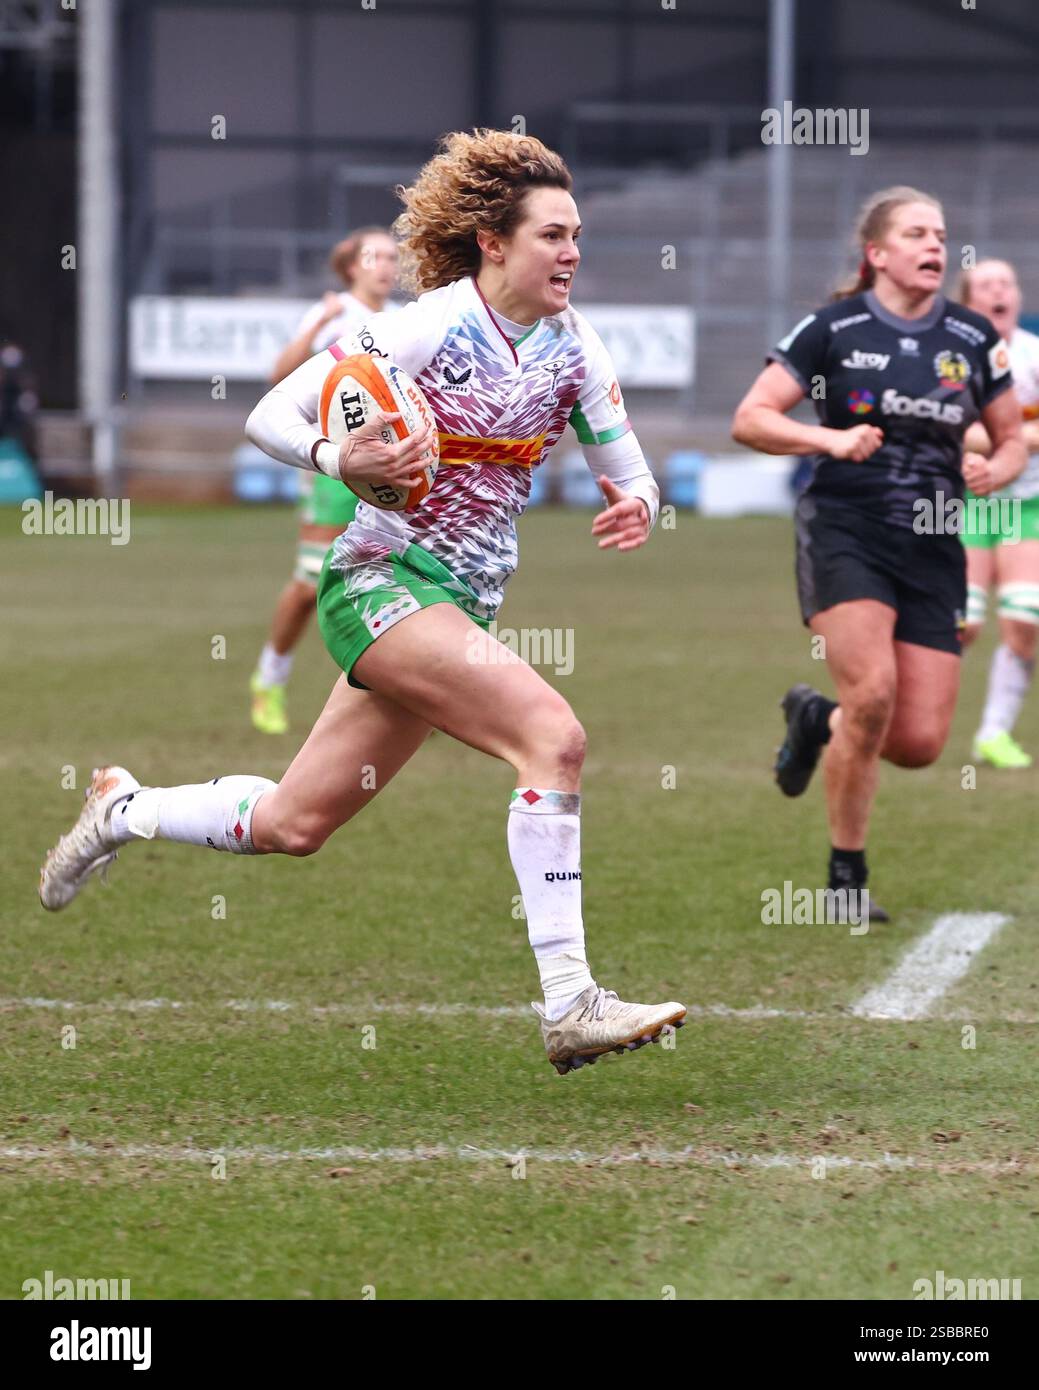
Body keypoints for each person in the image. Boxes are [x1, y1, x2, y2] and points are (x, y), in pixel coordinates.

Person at [39, 130, 686, 1075]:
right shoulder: (427, 327)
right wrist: (339, 457)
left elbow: (630, 471)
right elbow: (269, 414)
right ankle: (570, 1002)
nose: (571, 253)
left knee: (294, 825)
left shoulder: (575, 347)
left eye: (576, 235)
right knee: (553, 738)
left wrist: (638, 505)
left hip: (460, 607)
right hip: (379, 580)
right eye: (552, 235)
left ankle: (124, 808)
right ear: (492, 243)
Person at [732, 186, 1025, 920]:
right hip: (847, 529)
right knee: (872, 694)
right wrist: (828, 439)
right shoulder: (832, 329)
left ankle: (816, 721)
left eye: (941, 235)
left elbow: (1011, 437)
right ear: (877, 253)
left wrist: (996, 469)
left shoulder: (970, 337)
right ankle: (845, 883)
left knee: (919, 742)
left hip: (935, 541)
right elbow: (752, 418)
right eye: (917, 234)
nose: (935, 246)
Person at [251, 228, 400, 734]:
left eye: (392, 257)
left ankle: (400, 697)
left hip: (389, 465)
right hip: (333, 467)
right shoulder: (334, 315)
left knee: (395, 577)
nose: (386, 266)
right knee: (309, 582)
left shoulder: (402, 320)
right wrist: (317, 322)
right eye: (375, 257)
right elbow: (278, 375)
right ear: (352, 267)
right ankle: (270, 678)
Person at [957, 259, 1039, 768]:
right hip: (965, 506)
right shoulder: (953, 359)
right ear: (969, 302)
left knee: (1024, 622)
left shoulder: (1034, 355)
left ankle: (993, 733)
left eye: (1006, 283)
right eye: (986, 285)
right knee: (960, 625)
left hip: (1027, 505)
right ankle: (910, 717)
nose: (998, 291)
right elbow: (948, 426)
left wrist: (1017, 439)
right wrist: (1010, 439)